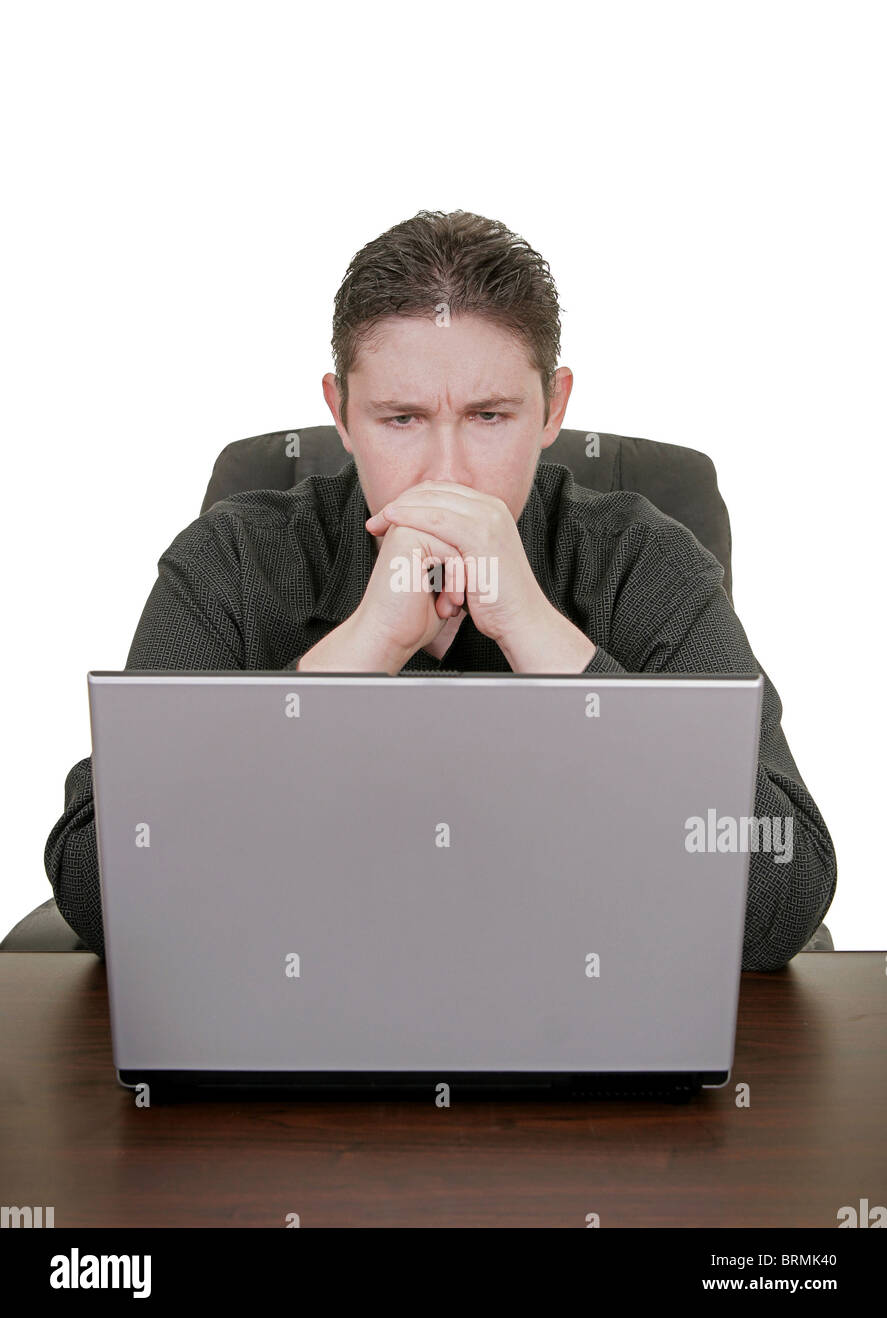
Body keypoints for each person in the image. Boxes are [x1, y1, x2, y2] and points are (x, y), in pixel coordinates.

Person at [44, 209, 837, 967]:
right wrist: (361, 651)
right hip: (309, 1020)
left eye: (489, 416)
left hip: (574, 1012)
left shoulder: (648, 564)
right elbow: (97, 880)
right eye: (400, 419)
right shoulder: (234, 560)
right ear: (341, 412)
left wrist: (540, 635)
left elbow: (783, 892)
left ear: (553, 406)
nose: (448, 474)